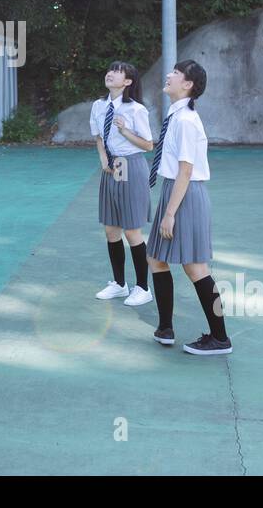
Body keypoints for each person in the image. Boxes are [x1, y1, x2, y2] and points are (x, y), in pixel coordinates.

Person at [145, 60, 231, 355]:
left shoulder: (185, 120)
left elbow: (185, 170)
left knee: (195, 268)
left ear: (188, 85)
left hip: (184, 195)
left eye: (176, 73)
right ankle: (165, 328)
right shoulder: (175, 114)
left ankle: (220, 338)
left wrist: (169, 213)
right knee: (156, 258)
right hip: (175, 191)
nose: (169, 75)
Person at [89, 62, 155, 306]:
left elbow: (148, 145)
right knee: (111, 229)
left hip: (131, 165)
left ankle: (143, 287)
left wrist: (125, 132)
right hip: (112, 167)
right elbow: (98, 136)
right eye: (110, 69)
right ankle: (119, 284)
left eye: (117, 71)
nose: (110, 73)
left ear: (127, 82)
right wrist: (103, 159)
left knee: (131, 230)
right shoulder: (98, 106)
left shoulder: (136, 110)